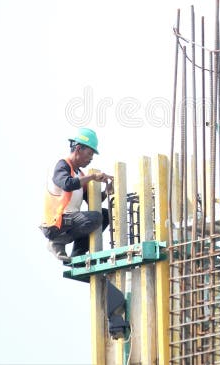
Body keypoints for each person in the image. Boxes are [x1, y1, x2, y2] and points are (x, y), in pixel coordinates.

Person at [39, 127, 129, 338]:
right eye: (89, 154)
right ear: (78, 149)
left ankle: (78, 255)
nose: (90, 159)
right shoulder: (63, 166)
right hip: (56, 223)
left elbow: (93, 203)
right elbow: (67, 184)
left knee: (102, 215)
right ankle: (56, 243)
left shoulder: (79, 174)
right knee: (95, 218)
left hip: (71, 222)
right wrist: (92, 177)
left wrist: (106, 191)